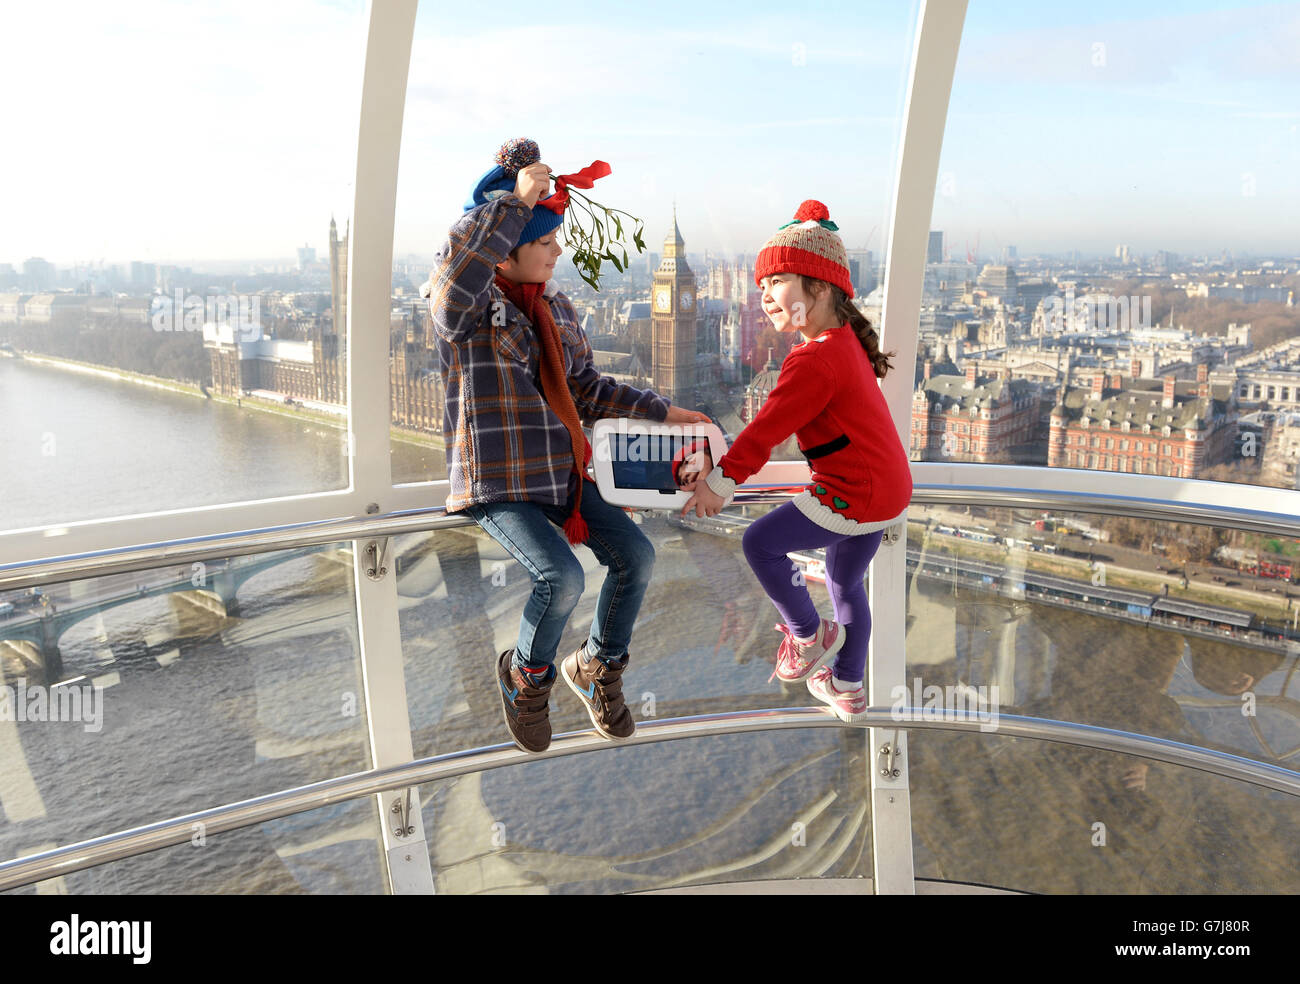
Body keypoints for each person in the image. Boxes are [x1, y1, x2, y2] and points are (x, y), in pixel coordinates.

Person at [426, 138, 709, 753]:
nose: (558, 252)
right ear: (507, 249)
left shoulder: (557, 308)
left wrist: (664, 412)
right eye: (545, 241)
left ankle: (596, 665)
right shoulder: (468, 313)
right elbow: (455, 278)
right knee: (560, 578)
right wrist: (510, 203)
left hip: (560, 474)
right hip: (499, 481)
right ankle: (527, 675)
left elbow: (585, 387)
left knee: (638, 557)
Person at [680, 200, 913, 722]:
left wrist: (720, 482)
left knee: (759, 544)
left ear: (821, 288)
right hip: (891, 490)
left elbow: (766, 429)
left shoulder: (814, 357)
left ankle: (809, 637)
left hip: (855, 490)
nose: (764, 294)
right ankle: (849, 683)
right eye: (761, 284)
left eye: (778, 279)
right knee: (844, 582)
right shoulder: (845, 341)